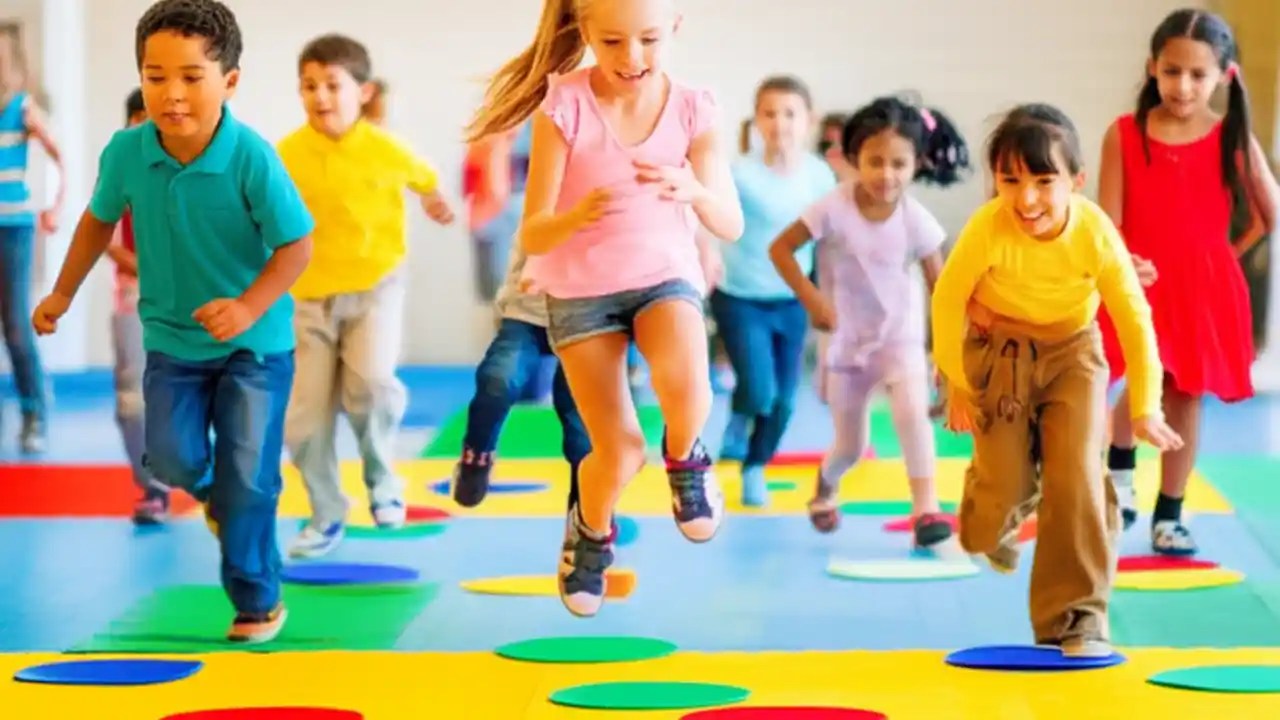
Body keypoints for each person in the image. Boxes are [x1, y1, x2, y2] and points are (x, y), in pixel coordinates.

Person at [32, 0, 314, 644]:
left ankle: (257, 600)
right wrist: (61, 293)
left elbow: (296, 246)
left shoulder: (251, 157)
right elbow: (97, 221)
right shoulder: (128, 151)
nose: (172, 93)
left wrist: (247, 306)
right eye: (155, 76)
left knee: (250, 476)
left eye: (191, 76)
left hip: (257, 349)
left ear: (230, 82)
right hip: (172, 343)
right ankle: (219, 498)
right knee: (175, 461)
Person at [465, 0, 743, 618]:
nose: (632, 58)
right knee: (618, 450)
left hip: (663, 275)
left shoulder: (695, 108)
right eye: (612, 42)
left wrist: (694, 190)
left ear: (675, 26)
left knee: (686, 382)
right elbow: (532, 234)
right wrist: (572, 216)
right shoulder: (562, 105)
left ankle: (688, 458)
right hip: (579, 291)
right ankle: (589, 530)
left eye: (647, 39)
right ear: (583, 31)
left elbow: (730, 221)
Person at [931, 103, 1182, 658]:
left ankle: (1077, 619)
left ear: (1076, 180)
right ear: (994, 178)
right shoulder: (988, 227)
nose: (1026, 199)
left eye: (1045, 181)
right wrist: (955, 383)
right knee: (1001, 495)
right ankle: (989, 519)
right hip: (1000, 352)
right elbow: (948, 298)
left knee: (1078, 479)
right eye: (1010, 180)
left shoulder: (1094, 232)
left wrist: (1147, 407)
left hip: (1073, 353)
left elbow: (1134, 318)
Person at [1099, 9, 1279, 554]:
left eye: (1197, 75)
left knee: (1184, 396)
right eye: (1172, 71)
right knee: (1137, 377)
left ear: (1223, 76)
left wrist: (1224, 256)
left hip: (1200, 291)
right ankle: (1122, 477)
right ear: (1153, 67)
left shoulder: (1231, 138)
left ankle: (1170, 511)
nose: (1182, 86)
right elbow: (1107, 220)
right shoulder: (1125, 134)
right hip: (1139, 284)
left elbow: (1269, 212)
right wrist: (1125, 261)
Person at [277, 33, 454, 558]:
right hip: (308, 298)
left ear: (364, 92)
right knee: (303, 418)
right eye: (309, 86)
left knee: (371, 385)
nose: (320, 97)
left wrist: (436, 202)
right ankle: (326, 512)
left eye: (333, 85)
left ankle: (383, 482)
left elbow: (426, 180)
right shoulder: (286, 154)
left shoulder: (386, 147)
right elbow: (258, 209)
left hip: (374, 290)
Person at [771, 96, 968, 546]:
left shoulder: (916, 220)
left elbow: (943, 289)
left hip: (901, 339)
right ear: (852, 157)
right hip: (846, 343)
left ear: (916, 163)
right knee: (850, 446)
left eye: (898, 163)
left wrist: (949, 359)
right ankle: (826, 484)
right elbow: (780, 250)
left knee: (913, 417)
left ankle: (926, 511)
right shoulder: (831, 208)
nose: (886, 174)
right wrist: (812, 298)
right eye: (875, 161)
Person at [711, 75, 836, 505]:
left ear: (808, 121)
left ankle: (755, 465)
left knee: (784, 400)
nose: (779, 123)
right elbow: (710, 221)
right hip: (740, 298)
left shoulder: (820, 177)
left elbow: (829, 241)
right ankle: (742, 413)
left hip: (791, 301)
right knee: (759, 389)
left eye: (789, 113)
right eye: (769, 113)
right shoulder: (738, 173)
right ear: (757, 120)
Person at [452, 243, 590, 512]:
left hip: (588, 319)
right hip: (529, 311)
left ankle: (587, 515)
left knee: (581, 422)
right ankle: (476, 456)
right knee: (498, 380)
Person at [106, 87, 172, 525]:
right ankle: (153, 488)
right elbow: (105, 239)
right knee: (132, 401)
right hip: (134, 296)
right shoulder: (118, 172)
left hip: (186, 300)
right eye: (140, 117)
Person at [0, 25, 64, 453]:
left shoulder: (24, 109)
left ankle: (34, 410)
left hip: (16, 227)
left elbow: (59, 156)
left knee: (17, 328)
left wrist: (56, 206)